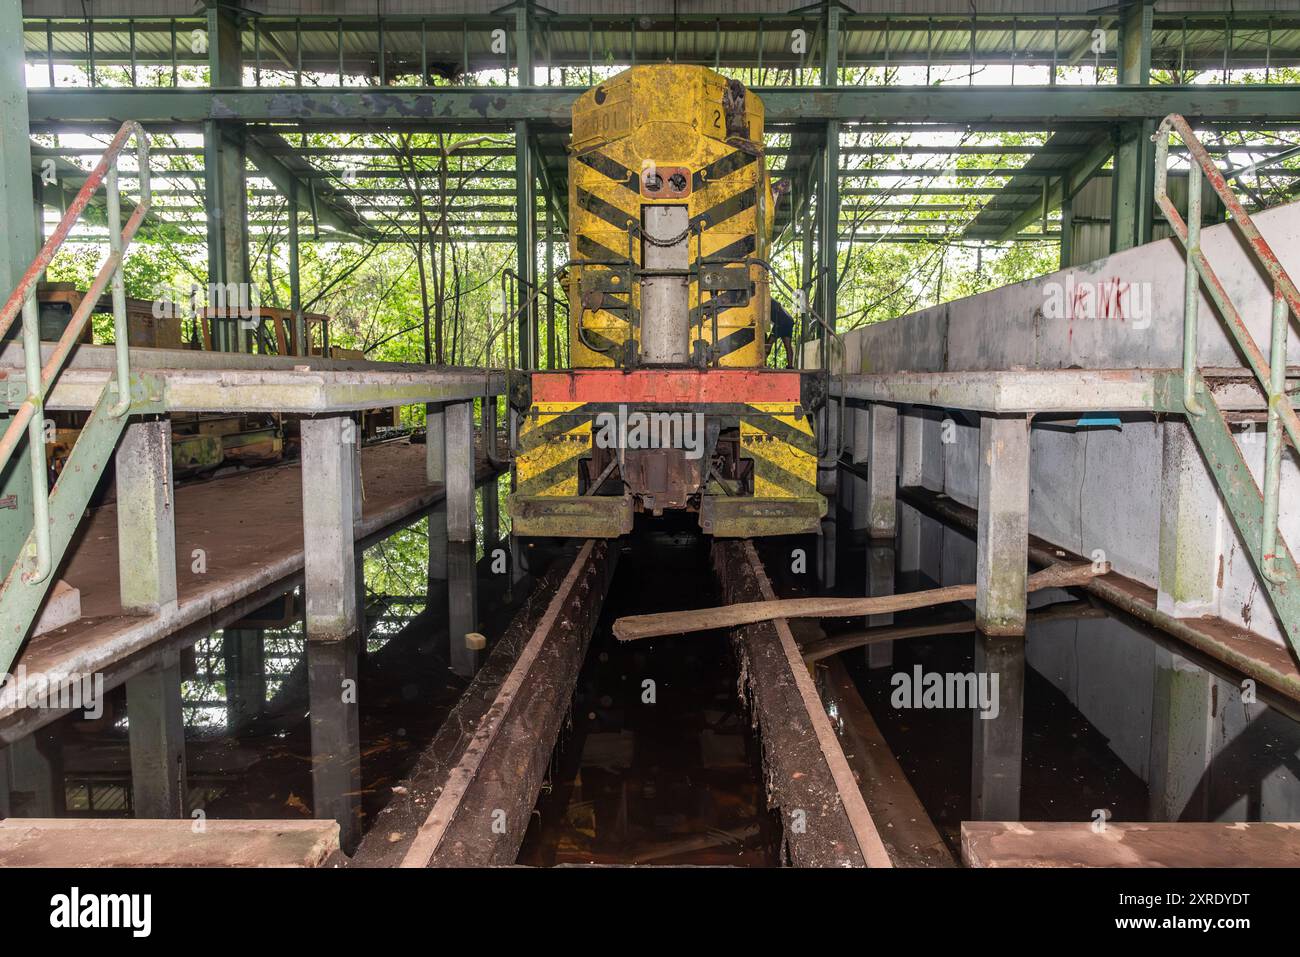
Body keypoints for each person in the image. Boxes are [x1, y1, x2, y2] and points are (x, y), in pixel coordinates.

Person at [768, 296, 796, 368]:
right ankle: (790, 365)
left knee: (769, 343)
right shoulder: (770, 300)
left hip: (781, 322)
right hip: (787, 321)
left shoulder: (768, 300)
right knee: (787, 345)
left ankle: (763, 362)